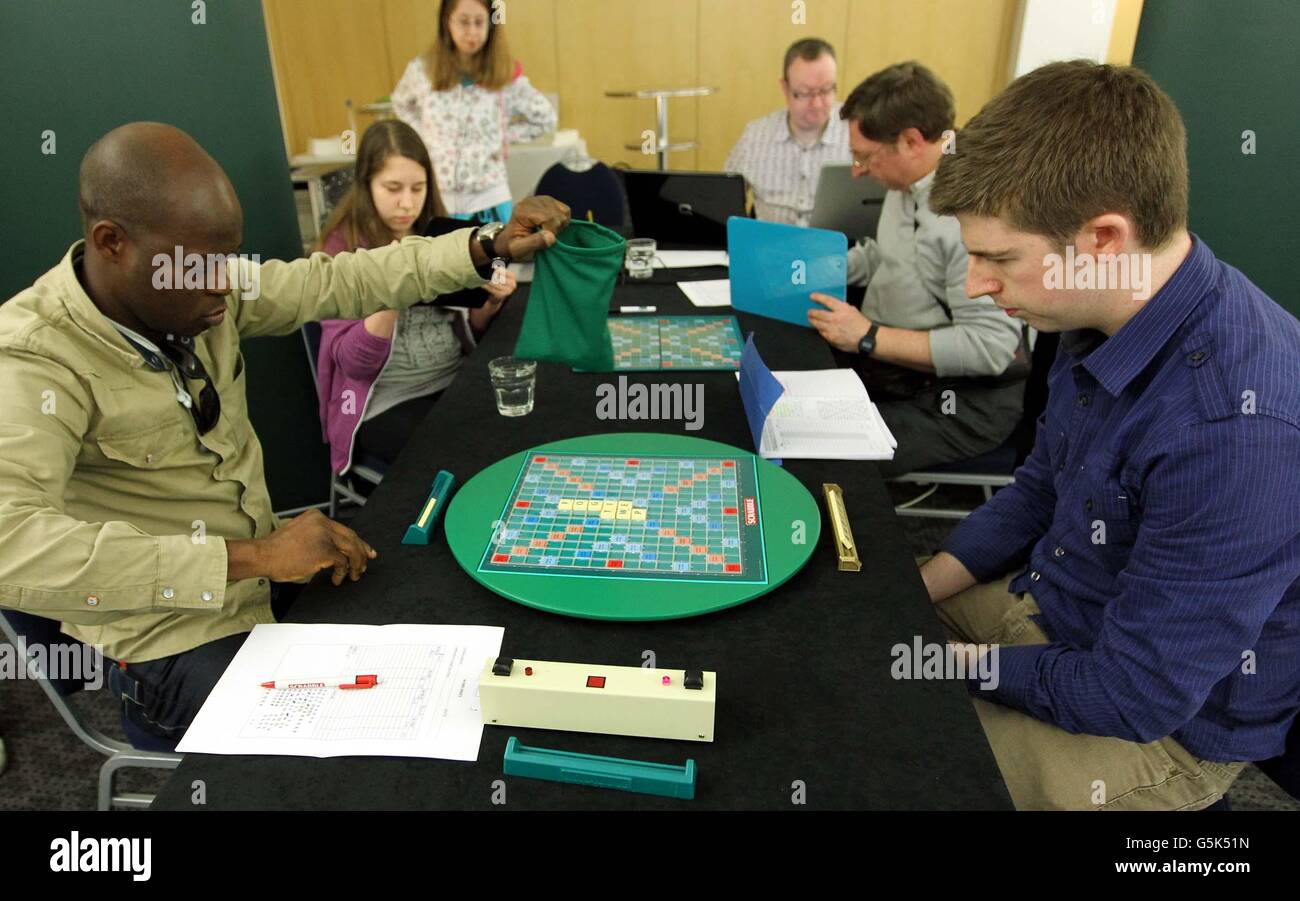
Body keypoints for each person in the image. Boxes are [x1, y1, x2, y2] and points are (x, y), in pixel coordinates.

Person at [0, 122, 569, 748]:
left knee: (435, 630)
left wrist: (487, 244)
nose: (225, 287)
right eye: (202, 269)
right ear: (112, 242)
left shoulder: (199, 283)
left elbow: (342, 280)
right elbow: (11, 544)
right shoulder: (34, 359)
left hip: (265, 591)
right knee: (351, 753)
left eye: (229, 261)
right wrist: (256, 556)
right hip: (172, 643)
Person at [921, 61, 1300, 810]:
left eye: (998, 258)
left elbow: (1134, 695)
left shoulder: (1234, 426)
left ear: (1101, 238)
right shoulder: (1095, 305)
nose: (975, 285)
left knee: (896, 755)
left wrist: (934, 663)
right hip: (1055, 611)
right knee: (847, 632)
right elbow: (1037, 490)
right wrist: (915, 595)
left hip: (1160, 732)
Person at [806, 62, 1024, 477]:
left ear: (911, 142)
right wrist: (813, 266)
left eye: (865, 157)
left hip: (960, 401)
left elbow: (991, 347)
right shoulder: (909, 185)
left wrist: (868, 337)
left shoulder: (973, 218)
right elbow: (885, 254)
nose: (856, 171)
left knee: (823, 458)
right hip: (892, 367)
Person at [315, 120, 517, 475]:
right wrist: (394, 285)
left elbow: (462, 325)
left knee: (516, 432)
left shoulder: (439, 234)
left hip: (453, 380)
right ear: (366, 185)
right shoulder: (339, 250)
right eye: (392, 188)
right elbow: (354, 364)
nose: (406, 202)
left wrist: (490, 304)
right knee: (462, 459)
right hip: (383, 401)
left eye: (418, 188)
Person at [391, 0, 557, 224]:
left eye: (479, 22)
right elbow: (401, 103)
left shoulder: (505, 76)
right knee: (442, 257)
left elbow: (545, 118)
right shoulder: (422, 71)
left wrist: (502, 137)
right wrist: (426, 137)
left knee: (494, 258)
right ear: (446, 22)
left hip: (489, 199)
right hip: (439, 198)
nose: (472, 32)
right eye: (463, 22)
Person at [723, 37, 851, 226]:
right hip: (769, 248)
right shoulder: (755, 136)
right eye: (804, 93)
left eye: (825, 90)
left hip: (838, 250)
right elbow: (724, 199)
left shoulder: (855, 134)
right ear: (785, 87)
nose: (816, 104)